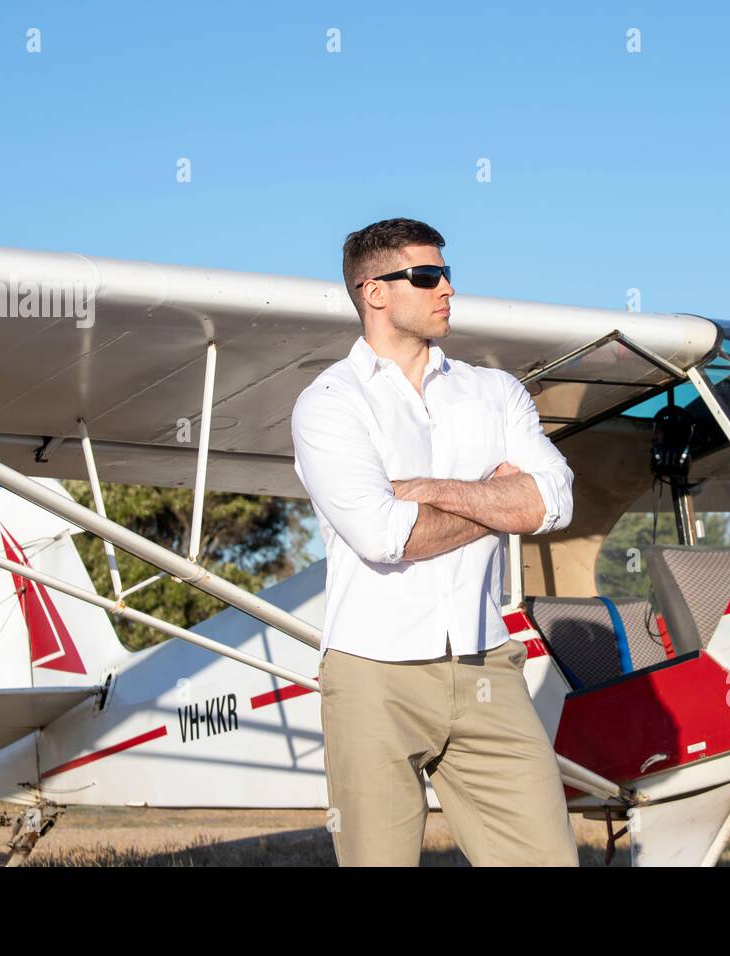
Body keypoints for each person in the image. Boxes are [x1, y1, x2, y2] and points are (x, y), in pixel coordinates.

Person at [289, 217, 579, 866]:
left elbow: (555, 499)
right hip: (372, 675)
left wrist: (429, 491)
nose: (446, 287)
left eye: (447, 273)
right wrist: (500, 502)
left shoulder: (496, 391)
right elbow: (386, 535)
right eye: (426, 276)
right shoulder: (331, 402)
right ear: (375, 292)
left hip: (487, 666)